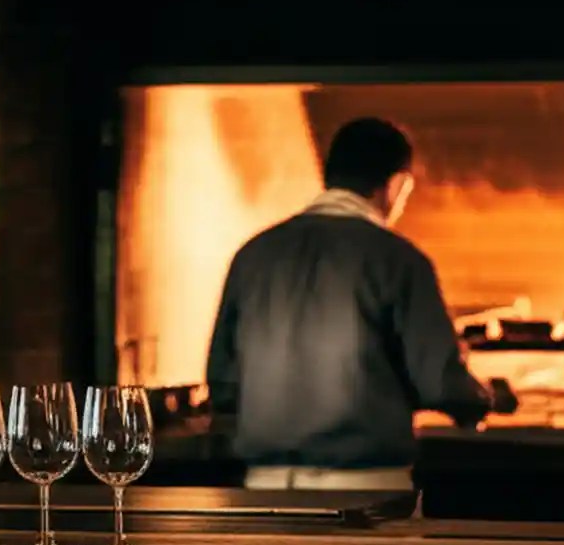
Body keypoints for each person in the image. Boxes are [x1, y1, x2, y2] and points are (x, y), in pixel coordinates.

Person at [206, 117, 492, 492]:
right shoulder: (399, 260)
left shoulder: (253, 254)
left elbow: (223, 384)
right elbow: (441, 384)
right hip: (366, 487)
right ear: (396, 185)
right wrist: (485, 398)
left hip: (263, 486)